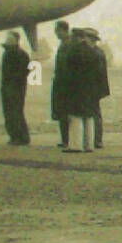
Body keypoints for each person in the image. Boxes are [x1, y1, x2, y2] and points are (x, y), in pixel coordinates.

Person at [63, 28, 99, 153]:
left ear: (77, 37)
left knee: (75, 116)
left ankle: (75, 145)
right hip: (90, 88)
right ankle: (89, 144)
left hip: (76, 88)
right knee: (89, 117)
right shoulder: (93, 52)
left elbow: (68, 72)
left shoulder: (74, 51)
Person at [0, 31, 30, 145]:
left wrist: (13, 82)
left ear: (15, 40)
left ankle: (20, 136)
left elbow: (23, 72)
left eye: (9, 39)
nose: (7, 41)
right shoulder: (10, 53)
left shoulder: (20, 54)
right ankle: (15, 136)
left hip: (15, 88)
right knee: (10, 112)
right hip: (9, 87)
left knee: (15, 112)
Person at [82, 27, 110, 148]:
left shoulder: (95, 53)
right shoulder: (99, 52)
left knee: (93, 113)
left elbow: (96, 73)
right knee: (95, 113)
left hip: (92, 87)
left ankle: (96, 139)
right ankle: (96, 139)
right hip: (97, 87)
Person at [51, 20, 73, 148]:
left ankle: (67, 139)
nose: (56, 34)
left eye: (57, 31)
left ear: (63, 30)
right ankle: (65, 138)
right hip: (60, 82)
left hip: (64, 84)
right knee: (61, 112)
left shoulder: (67, 45)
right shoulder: (64, 44)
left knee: (65, 112)